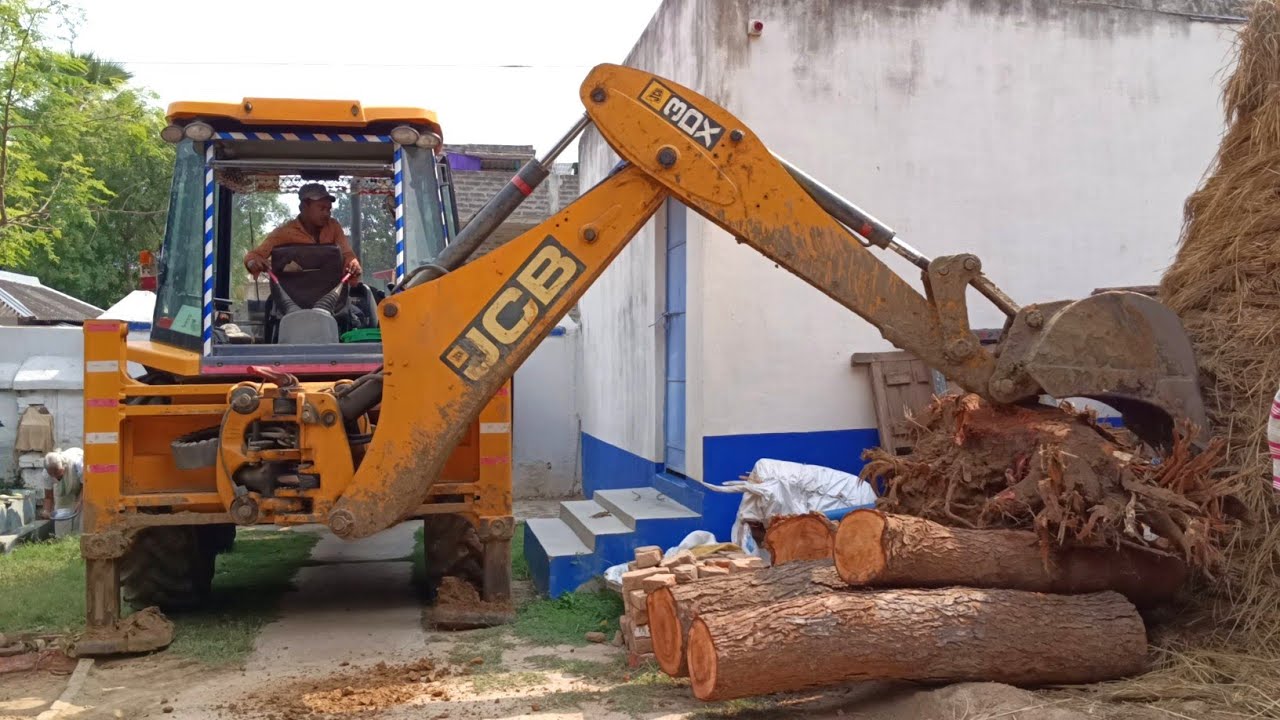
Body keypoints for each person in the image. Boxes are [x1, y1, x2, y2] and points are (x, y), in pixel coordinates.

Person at [243, 183, 362, 281]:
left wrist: (353, 263)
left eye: (329, 209)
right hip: (291, 300)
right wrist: (253, 263)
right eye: (321, 208)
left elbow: (347, 254)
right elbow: (253, 256)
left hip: (331, 295)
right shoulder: (283, 233)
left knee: (358, 311)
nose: (327, 213)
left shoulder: (334, 226)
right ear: (304, 207)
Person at [41, 447, 83, 522]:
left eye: (57, 473)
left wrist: (79, 501)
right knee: (61, 522)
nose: (55, 476)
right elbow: (48, 497)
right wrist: (46, 511)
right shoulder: (46, 473)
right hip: (63, 492)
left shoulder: (78, 463)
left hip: (82, 485)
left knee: (81, 515)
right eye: (51, 474)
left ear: (64, 465)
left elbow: (86, 484)